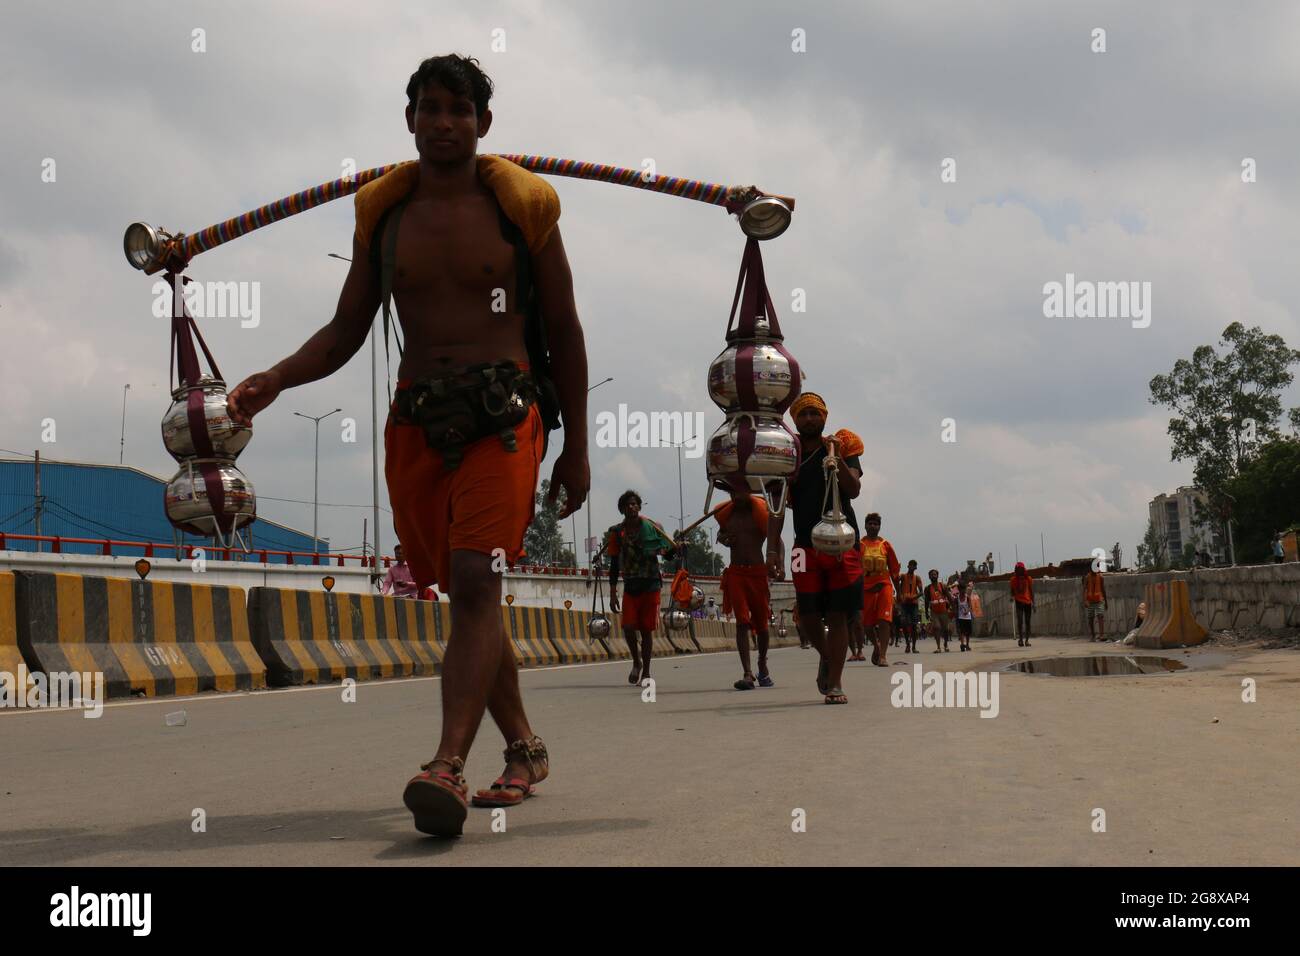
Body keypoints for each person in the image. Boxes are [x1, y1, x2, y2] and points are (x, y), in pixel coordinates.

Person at [227, 55, 590, 837]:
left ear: (483, 123)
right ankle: (524, 748)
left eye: (459, 110)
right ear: (410, 119)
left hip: (505, 417)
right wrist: (277, 378)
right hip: (417, 426)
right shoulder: (385, 219)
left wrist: (578, 448)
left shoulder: (522, 207)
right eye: (429, 108)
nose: (443, 123)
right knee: (468, 597)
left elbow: (564, 328)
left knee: (474, 579)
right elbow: (346, 331)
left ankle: (446, 767)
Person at [766, 392, 863, 705]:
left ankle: (835, 682)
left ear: (824, 417)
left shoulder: (841, 445)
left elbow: (854, 490)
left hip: (842, 542)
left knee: (837, 615)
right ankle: (827, 656)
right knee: (806, 615)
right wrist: (772, 551)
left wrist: (834, 460)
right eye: (804, 415)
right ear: (795, 419)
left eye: (815, 414)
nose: (810, 419)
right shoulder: (786, 455)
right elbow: (776, 507)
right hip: (802, 545)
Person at [606, 490, 677, 686]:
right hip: (631, 585)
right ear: (622, 509)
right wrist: (612, 593)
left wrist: (674, 550)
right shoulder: (617, 533)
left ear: (639, 507)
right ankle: (636, 662)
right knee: (628, 628)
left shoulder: (653, 528)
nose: (631, 507)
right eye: (627, 505)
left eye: (635, 504)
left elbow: (667, 553)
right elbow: (613, 565)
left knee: (646, 631)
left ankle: (646, 671)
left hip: (651, 584)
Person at [714, 480, 775, 690]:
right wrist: (723, 539)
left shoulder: (759, 513)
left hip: (758, 573)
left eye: (739, 492)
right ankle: (747, 673)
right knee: (742, 622)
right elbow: (720, 534)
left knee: (762, 625)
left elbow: (777, 541)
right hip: (736, 573)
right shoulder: (727, 515)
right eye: (732, 493)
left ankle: (762, 663)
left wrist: (777, 562)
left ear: (748, 492)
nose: (735, 497)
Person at [860, 513, 900, 667]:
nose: (872, 526)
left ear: (879, 526)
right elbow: (854, 569)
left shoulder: (885, 545)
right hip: (866, 588)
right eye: (870, 523)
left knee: (884, 621)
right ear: (865, 526)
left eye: (876, 524)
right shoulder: (859, 545)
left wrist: (899, 592)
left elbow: (894, 570)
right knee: (867, 625)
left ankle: (883, 655)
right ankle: (876, 646)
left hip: (884, 586)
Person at [897, 559, 923, 654]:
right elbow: (897, 579)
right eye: (911, 565)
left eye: (914, 565)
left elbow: (921, 592)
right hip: (904, 604)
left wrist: (913, 597)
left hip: (913, 604)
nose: (912, 567)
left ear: (915, 567)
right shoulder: (903, 576)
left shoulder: (918, 578)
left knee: (914, 625)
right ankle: (908, 643)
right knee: (904, 623)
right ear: (908, 566)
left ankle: (914, 646)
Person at [923, 569, 951, 652]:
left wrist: (954, 608)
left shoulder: (943, 586)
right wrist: (926, 613)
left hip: (944, 611)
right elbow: (926, 601)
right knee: (937, 627)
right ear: (929, 577)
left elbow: (949, 597)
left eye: (935, 574)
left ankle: (945, 644)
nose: (933, 576)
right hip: (934, 612)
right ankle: (938, 647)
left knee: (946, 629)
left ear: (937, 576)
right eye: (931, 575)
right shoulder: (928, 588)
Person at [1010, 561, 1034, 647]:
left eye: (1021, 569)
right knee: (1020, 621)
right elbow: (1012, 591)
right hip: (1018, 602)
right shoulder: (1013, 580)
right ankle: (1020, 639)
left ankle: (1027, 640)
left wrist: (1033, 603)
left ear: (1023, 569)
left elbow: (1031, 591)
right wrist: (1012, 596)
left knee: (1028, 622)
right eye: (1018, 569)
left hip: (1027, 602)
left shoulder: (1028, 579)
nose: (1019, 570)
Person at [1083, 565, 1107, 641]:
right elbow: (1084, 590)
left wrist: (1106, 601)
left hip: (1099, 599)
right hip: (1090, 600)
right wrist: (1085, 600)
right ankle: (1093, 636)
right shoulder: (1087, 577)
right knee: (1091, 618)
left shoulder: (1100, 577)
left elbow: (1103, 589)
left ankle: (1101, 635)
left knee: (1100, 616)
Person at [953, 581, 974, 651]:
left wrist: (967, 611)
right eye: (961, 589)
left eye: (964, 589)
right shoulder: (957, 599)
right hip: (960, 617)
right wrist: (956, 613)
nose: (963, 591)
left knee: (968, 632)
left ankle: (967, 645)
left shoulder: (967, 597)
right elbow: (955, 607)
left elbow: (970, 606)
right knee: (962, 631)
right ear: (959, 589)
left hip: (968, 617)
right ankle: (962, 644)